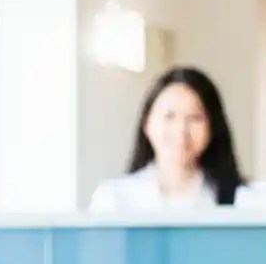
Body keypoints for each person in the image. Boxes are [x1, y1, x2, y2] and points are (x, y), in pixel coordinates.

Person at [90, 66, 247, 211]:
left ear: (212, 127)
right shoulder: (113, 199)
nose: (181, 130)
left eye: (195, 118)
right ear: (147, 124)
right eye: (169, 116)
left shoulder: (240, 200)